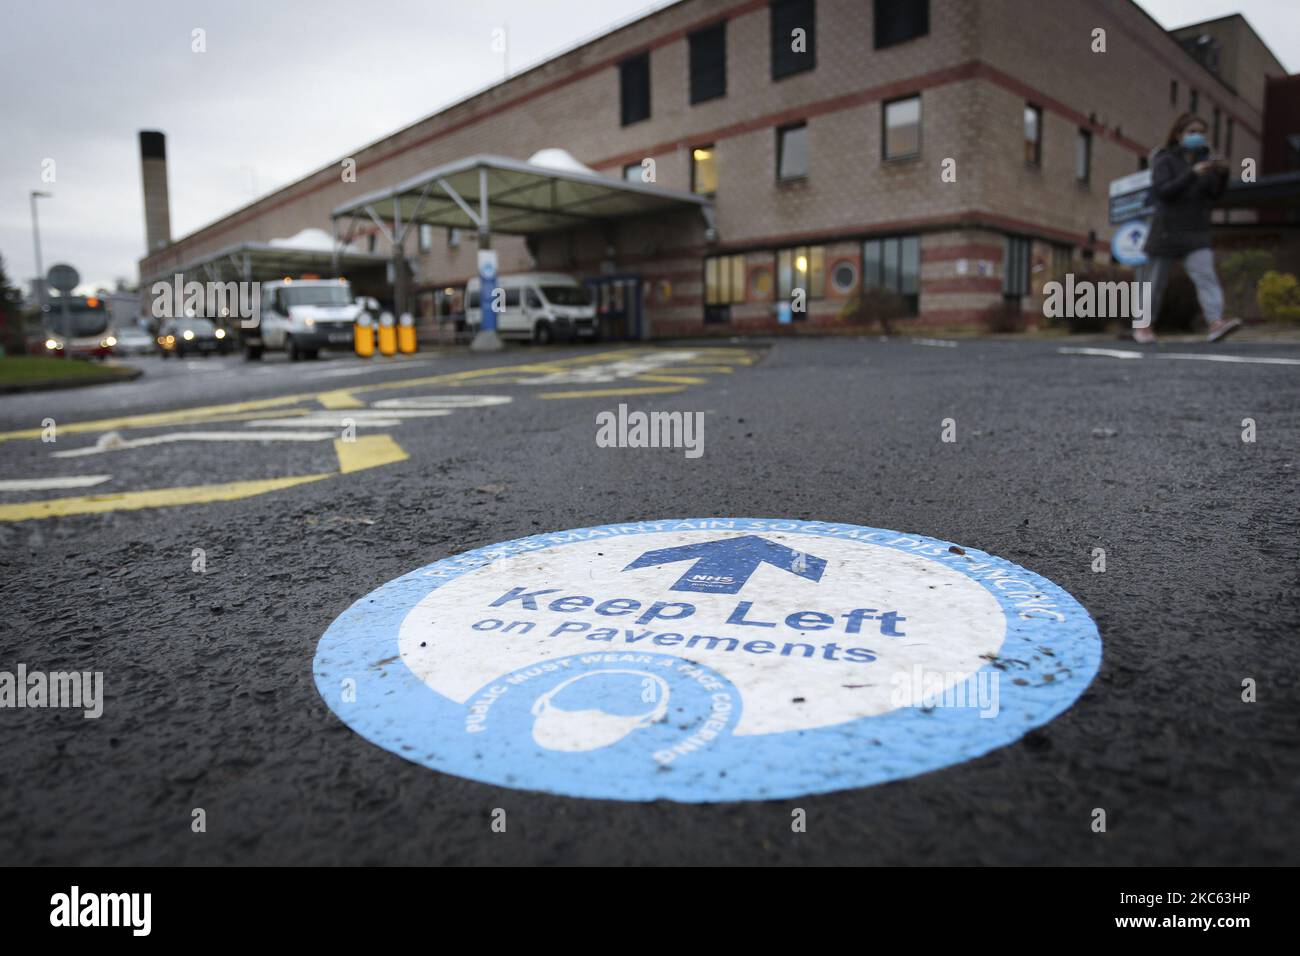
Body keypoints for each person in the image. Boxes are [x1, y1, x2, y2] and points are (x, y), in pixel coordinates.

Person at [1135, 113, 1241, 344]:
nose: (1197, 136)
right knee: (1154, 283)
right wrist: (1192, 173)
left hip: (1196, 230)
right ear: (1178, 134)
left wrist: (1222, 174)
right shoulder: (1164, 159)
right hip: (1166, 231)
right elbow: (1164, 191)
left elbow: (1215, 195)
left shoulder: (1208, 161)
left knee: (1206, 276)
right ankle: (1143, 326)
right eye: (1192, 131)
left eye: (1201, 132)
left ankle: (1215, 323)